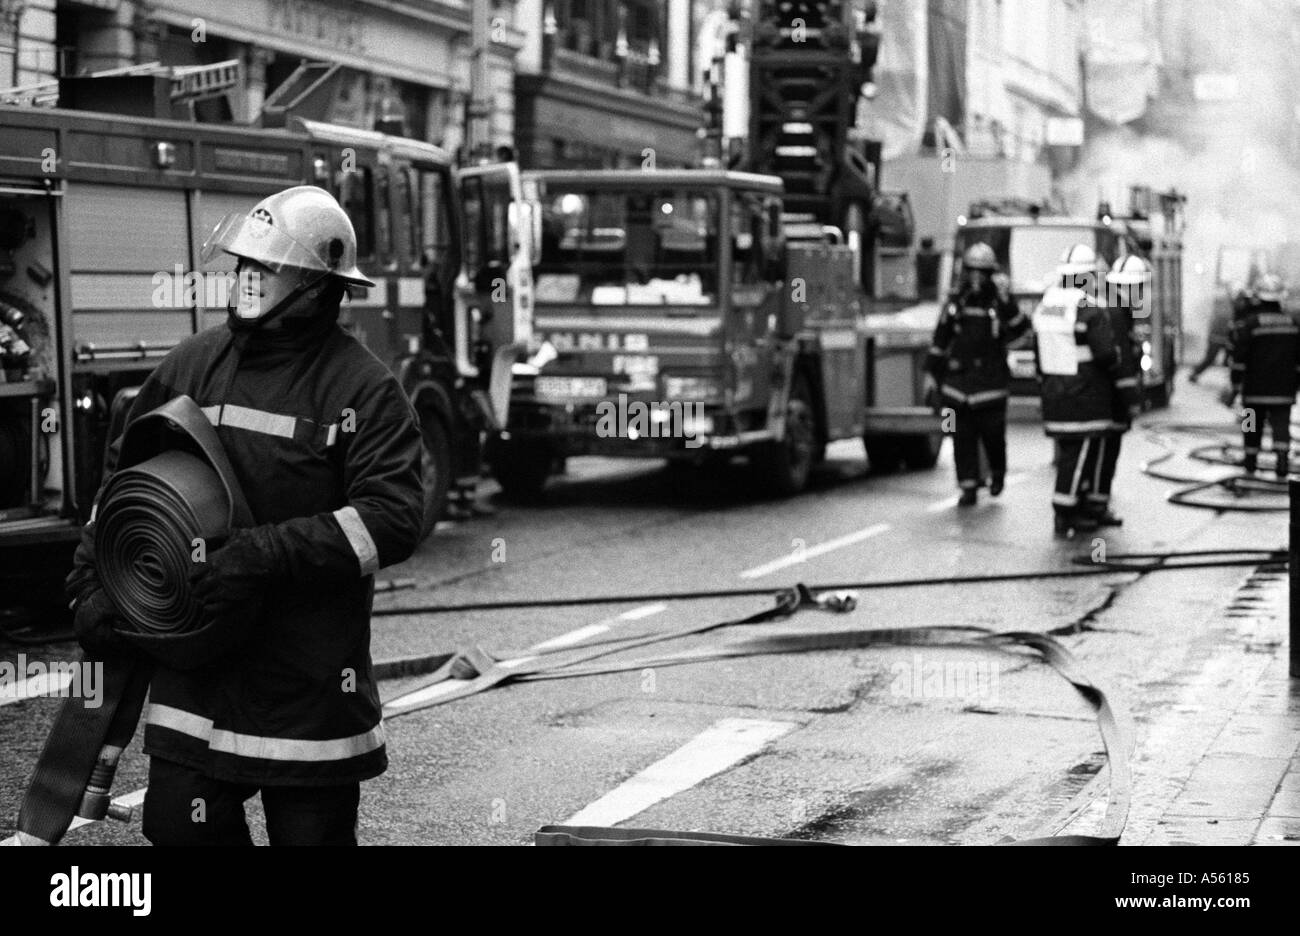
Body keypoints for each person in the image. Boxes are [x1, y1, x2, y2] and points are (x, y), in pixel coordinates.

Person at [65, 186, 425, 845]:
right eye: (243, 266)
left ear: (316, 285)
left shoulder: (362, 388)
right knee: (179, 831)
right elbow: (124, 480)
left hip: (305, 689)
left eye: (266, 269)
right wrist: (94, 583)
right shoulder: (193, 364)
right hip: (195, 680)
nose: (247, 281)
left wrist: (265, 554)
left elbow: (393, 517)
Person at [924, 242, 1030, 506]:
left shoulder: (999, 301)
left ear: (990, 273)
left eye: (982, 272)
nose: (976, 277)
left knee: (994, 437)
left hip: (991, 384)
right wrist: (930, 375)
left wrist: (1007, 302)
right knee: (961, 439)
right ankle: (967, 487)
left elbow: (1020, 330)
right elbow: (941, 339)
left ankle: (997, 475)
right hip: (958, 386)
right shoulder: (956, 302)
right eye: (972, 270)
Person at [1032, 243, 1119, 536]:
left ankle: (1076, 509)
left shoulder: (1046, 305)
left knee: (1071, 454)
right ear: (1086, 276)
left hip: (1055, 393)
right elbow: (1106, 354)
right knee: (1079, 456)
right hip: (1084, 395)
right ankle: (1065, 513)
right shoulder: (1088, 308)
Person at [1089, 256, 1148, 526]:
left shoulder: (1114, 306)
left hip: (1103, 396)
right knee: (1105, 453)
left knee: (1100, 451)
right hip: (1110, 399)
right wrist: (1132, 400)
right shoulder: (1117, 311)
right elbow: (1122, 362)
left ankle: (1092, 503)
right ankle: (1097, 506)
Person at [1223, 273, 1299, 478]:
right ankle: (1282, 462)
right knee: (1281, 425)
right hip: (1283, 391)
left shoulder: (1251, 323)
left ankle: (1250, 462)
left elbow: (1239, 359)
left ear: (1258, 297)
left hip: (1253, 391)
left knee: (1250, 424)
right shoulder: (1293, 323)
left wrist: (1235, 386)